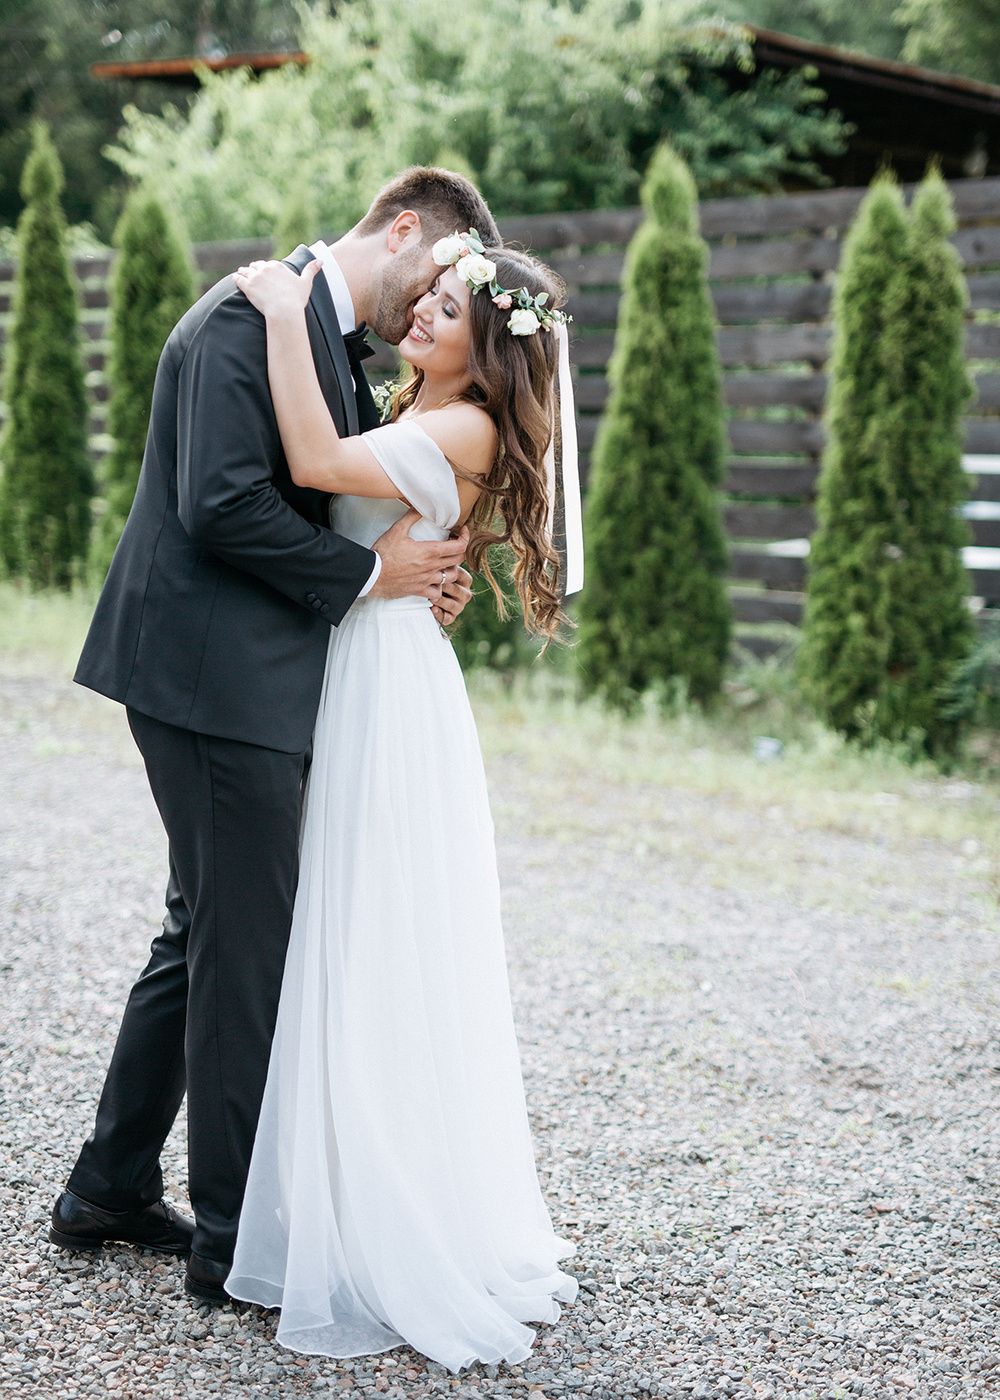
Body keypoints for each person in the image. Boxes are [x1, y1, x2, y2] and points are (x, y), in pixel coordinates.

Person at [49, 170, 501, 1306]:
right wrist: (369, 574)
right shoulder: (247, 318)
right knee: (252, 947)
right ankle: (234, 1237)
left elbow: (342, 490)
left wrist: (411, 571)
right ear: (404, 227)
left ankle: (107, 1185)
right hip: (210, 678)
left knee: (206, 927)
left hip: (258, 674)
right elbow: (224, 504)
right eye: (437, 273)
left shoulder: (320, 333)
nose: (430, 305)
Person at [222, 236, 579, 1370]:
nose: (423, 314)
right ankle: (339, 1191)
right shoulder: (417, 407)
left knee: (373, 932)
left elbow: (318, 463)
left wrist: (283, 310)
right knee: (344, 925)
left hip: (387, 682)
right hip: (363, 661)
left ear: (494, 349)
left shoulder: (464, 423)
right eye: (424, 297)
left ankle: (389, 1217)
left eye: (452, 308)